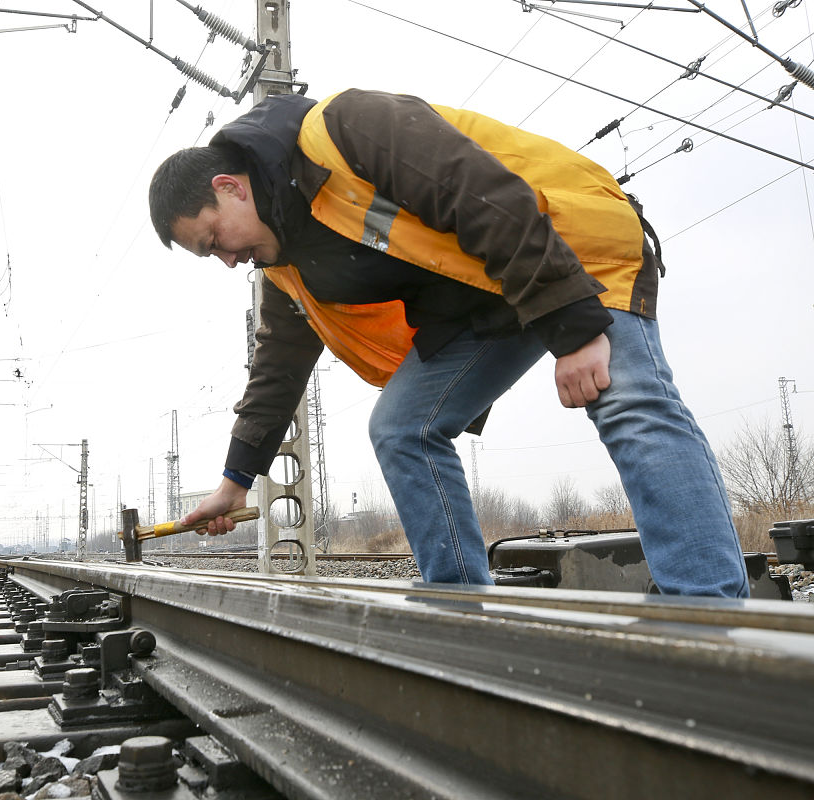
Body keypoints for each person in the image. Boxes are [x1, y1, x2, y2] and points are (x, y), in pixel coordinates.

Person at [148, 88, 749, 598]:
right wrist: (236, 480)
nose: (228, 261)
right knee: (402, 427)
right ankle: (461, 606)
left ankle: (707, 618)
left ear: (230, 187)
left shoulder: (344, 130)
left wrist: (576, 332)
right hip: (489, 298)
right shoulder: (284, 261)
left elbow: (480, 192)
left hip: (570, 246)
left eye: (213, 241)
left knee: (627, 402)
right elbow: (277, 369)